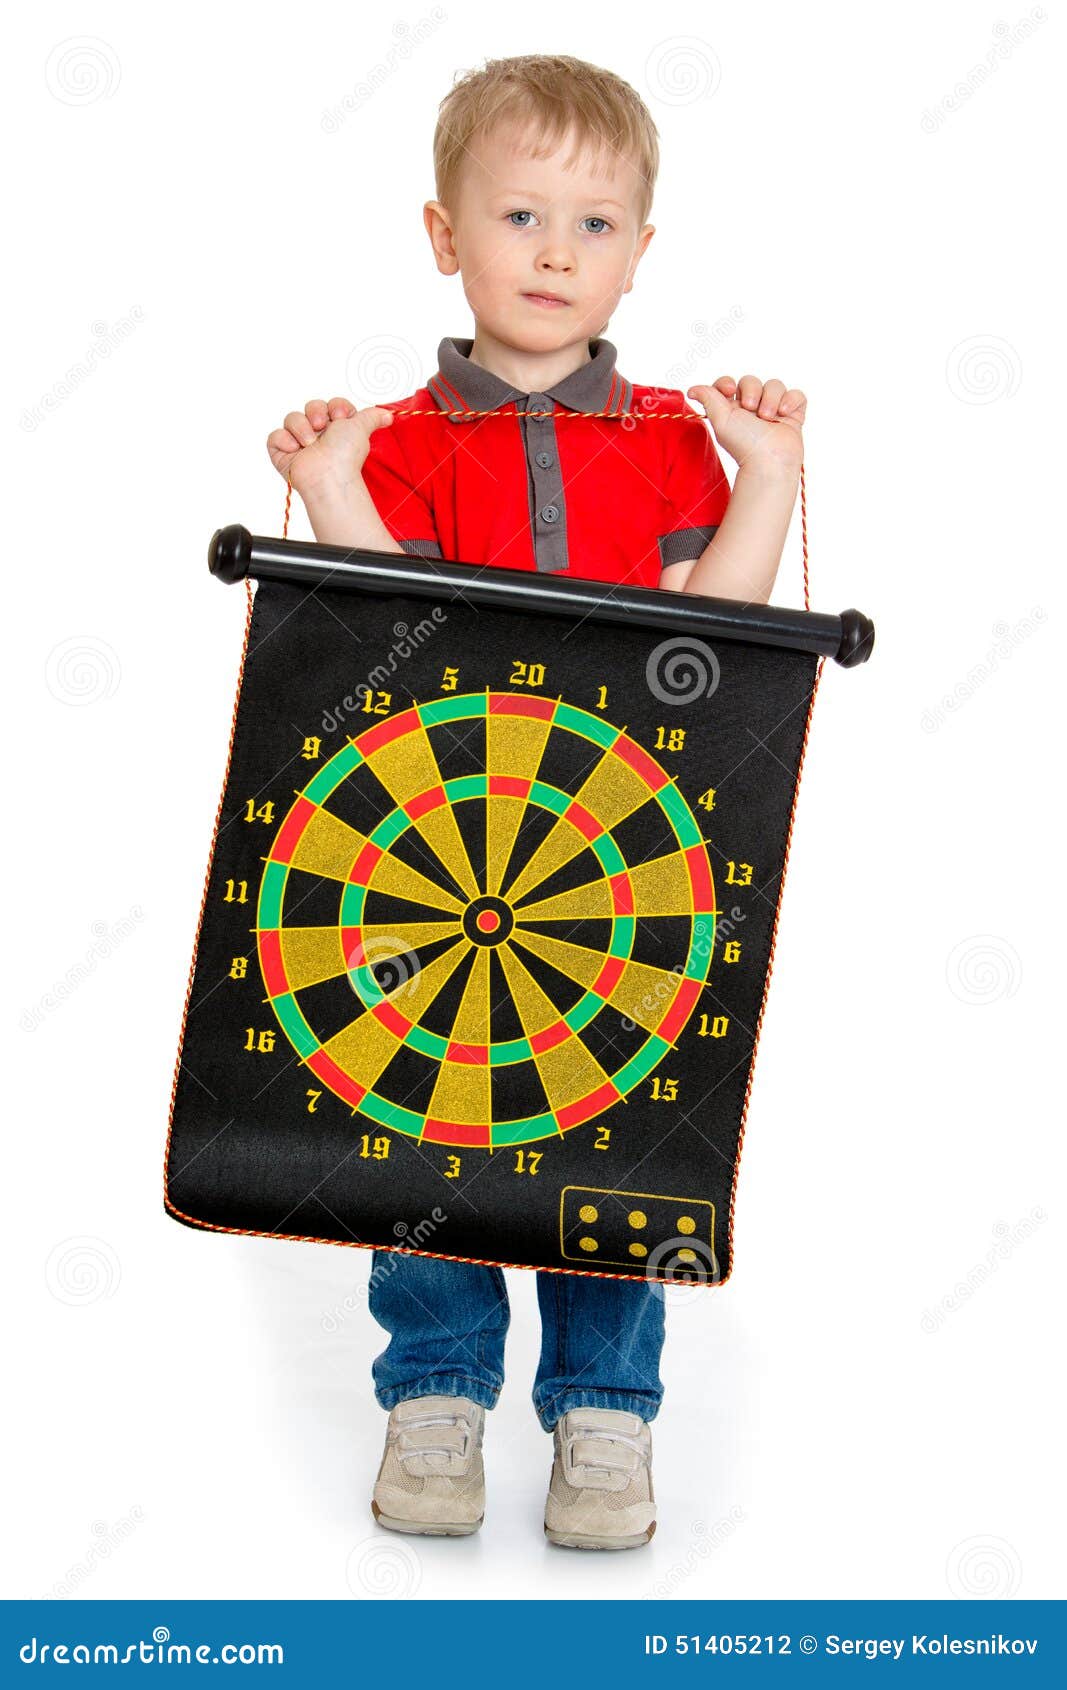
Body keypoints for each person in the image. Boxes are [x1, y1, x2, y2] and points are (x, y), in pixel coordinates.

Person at [266, 53, 805, 1551]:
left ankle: (604, 1411)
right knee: (424, 1104)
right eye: (518, 214)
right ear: (446, 235)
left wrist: (769, 470)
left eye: (597, 221)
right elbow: (392, 629)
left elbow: (728, 627)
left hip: (624, 861)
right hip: (432, 856)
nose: (558, 250)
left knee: (613, 1119)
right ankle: (435, 1386)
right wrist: (331, 490)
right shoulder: (402, 438)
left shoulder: (672, 442)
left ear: (641, 249)